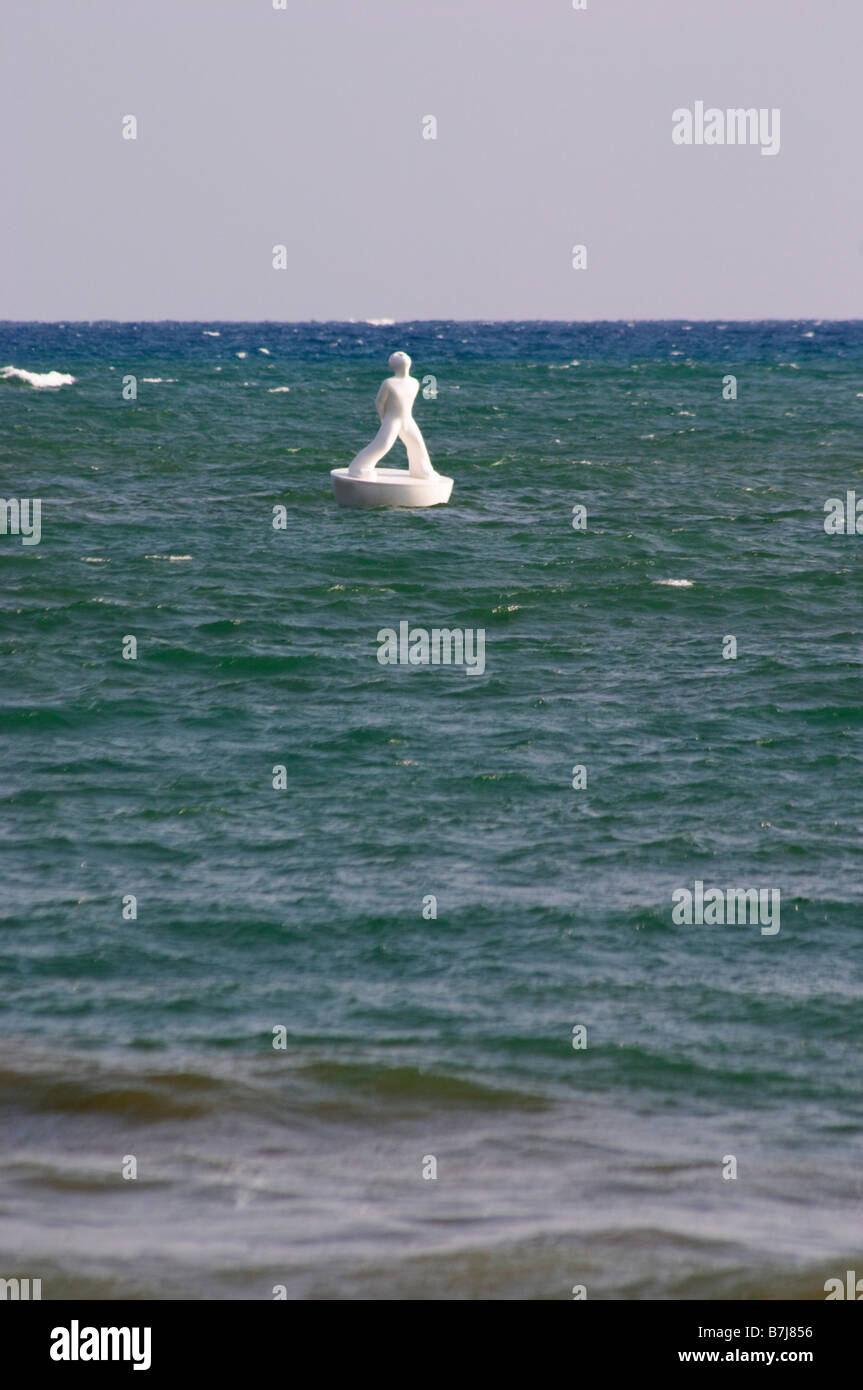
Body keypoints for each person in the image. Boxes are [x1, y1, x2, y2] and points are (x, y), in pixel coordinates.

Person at [347, 352, 435, 479]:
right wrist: (383, 418)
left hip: (407, 419)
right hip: (392, 419)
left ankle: (421, 469)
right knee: (383, 444)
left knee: (417, 444)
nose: (402, 357)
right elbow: (379, 402)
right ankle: (359, 466)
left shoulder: (414, 383)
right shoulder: (388, 383)